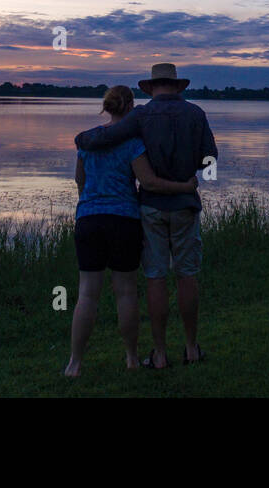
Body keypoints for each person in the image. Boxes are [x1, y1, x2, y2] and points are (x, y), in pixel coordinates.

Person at [75, 63, 218, 369]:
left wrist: (82, 141)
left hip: (151, 207)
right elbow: (209, 160)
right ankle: (191, 348)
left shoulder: (141, 115)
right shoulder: (196, 114)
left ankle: (160, 353)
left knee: (155, 276)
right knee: (187, 274)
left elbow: (109, 135)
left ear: (151, 89)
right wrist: (193, 171)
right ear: (178, 87)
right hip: (185, 204)